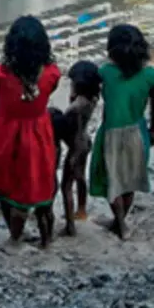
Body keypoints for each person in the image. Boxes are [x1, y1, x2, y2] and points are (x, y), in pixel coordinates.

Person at [0, 16, 61, 248]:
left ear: (10, 46)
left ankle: (15, 237)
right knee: (38, 183)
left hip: (6, 135)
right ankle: (46, 241)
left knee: (6, 187)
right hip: (38, 134)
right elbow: (43, 92)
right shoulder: (51, 74)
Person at [88, 24, 154, 240]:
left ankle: (119, 222)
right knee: (130, 181)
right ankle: (121, 222)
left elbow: (89, 86)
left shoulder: (106, 73)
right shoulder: (150, 76)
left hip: (111, 133)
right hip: (138, 132)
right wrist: (153, 131)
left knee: (113, 180)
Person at [53, 59, 103, 236]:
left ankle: (70, 226)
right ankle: (81, 210)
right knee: (81, 178)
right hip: (84, 141)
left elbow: (66, 125)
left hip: (75, 147)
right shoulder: (92, 99)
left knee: (66, 186)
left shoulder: (74, 108)